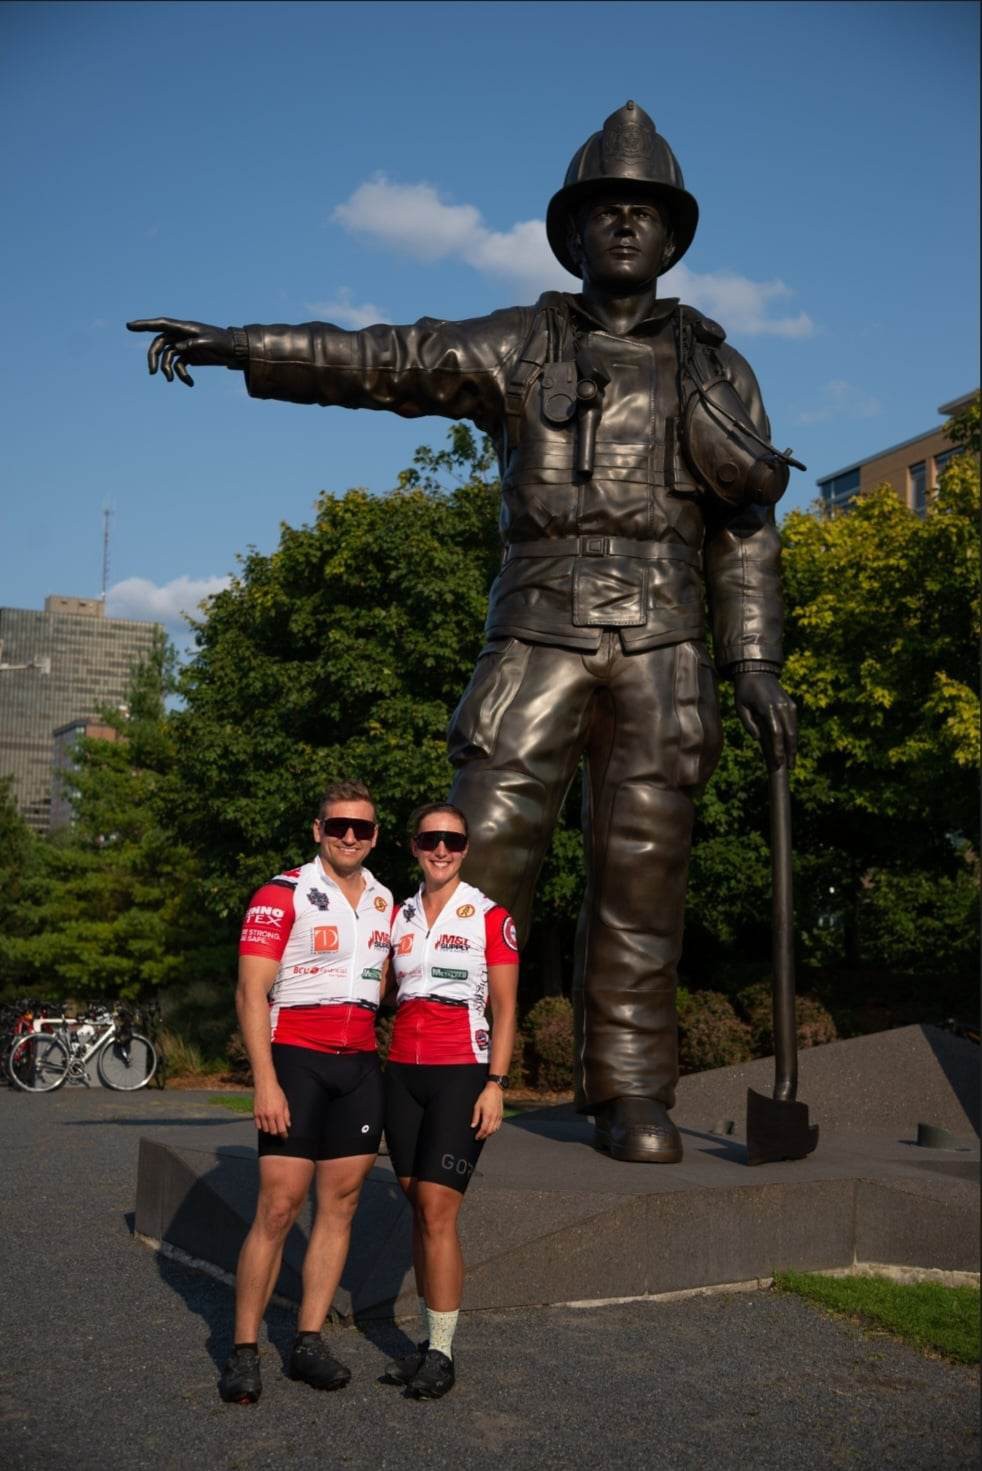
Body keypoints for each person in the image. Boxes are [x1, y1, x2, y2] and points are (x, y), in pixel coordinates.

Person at [128, 99, 799, 1167]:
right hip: (536, 629)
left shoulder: (720, 370)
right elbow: (387, 359)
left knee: (644, 875)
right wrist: (247, 347)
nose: (626, 224)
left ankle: (630, 1086)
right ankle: (431, 1064)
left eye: (645, 211)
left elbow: (747, 529)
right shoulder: (522, 340)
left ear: (674, 237)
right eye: (605, 209)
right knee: (474, 861)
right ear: (572, 234)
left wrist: (753, 660)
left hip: (667, 643)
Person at [220, 780, 393, 1405]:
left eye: (361, 828)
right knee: (278, 1208)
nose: (349, 836)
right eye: (337, 826)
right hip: (295, 1061)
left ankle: (308, 1341)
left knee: (340, 1206)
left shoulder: (385, 899)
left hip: (360, 1067)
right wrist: (264, 1082)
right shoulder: (282, 892)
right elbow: (250, 993)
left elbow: (389, 980)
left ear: (374, 836)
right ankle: (243, 1350)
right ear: (318, 830)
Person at [381, 802, 518, 1399]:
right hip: (400, 1075)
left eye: (453, 841)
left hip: (462, 1071)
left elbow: (506, 1008)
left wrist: (497, 1083)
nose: (442, 849)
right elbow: (379, 987)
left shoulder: (490, 915)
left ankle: (442, 1352)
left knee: (438, 1209)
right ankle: (426, 1341)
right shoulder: (397, 913)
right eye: (431, 839)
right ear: (414, 845)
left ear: (466, 849)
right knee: (419, 1206)